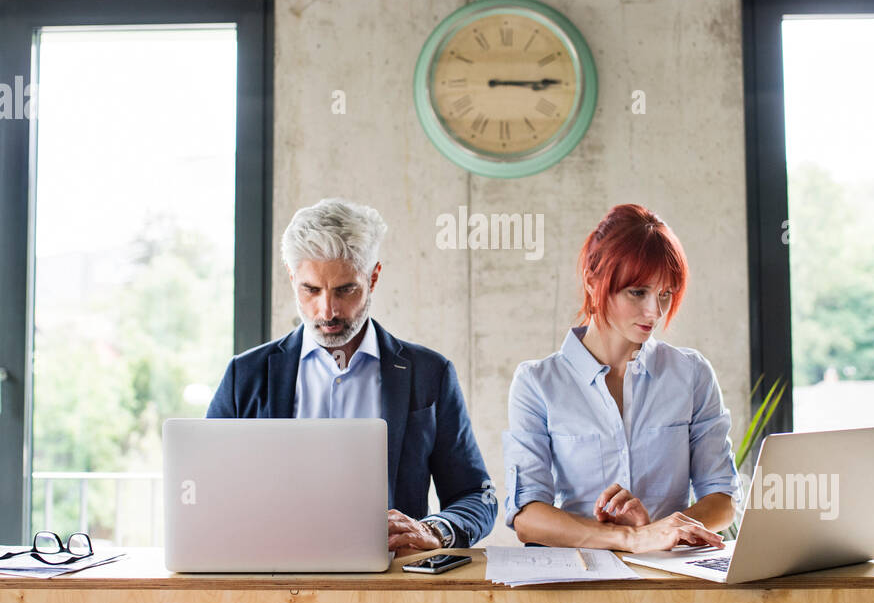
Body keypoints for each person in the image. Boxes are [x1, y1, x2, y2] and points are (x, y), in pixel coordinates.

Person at [206, 198, 496, 555]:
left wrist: (435, 530)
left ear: (373, 277)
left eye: (346, 290)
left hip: (391, 586)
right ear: (291, 276)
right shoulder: (245, 375)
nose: (327, 310)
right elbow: (209, 491)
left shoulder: (429, 374)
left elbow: (477, 496)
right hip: (275, 583)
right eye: (311, 290)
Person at [502, 203, 740, 551]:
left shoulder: (691, 374)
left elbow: (723, 498)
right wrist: (632, 538)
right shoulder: (537, 383)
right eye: (638, 292)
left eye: (664, 294)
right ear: (592, 280)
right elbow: (527, 517)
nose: (654, 312)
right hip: (579, 580)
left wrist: (663, 533)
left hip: (670, 578)